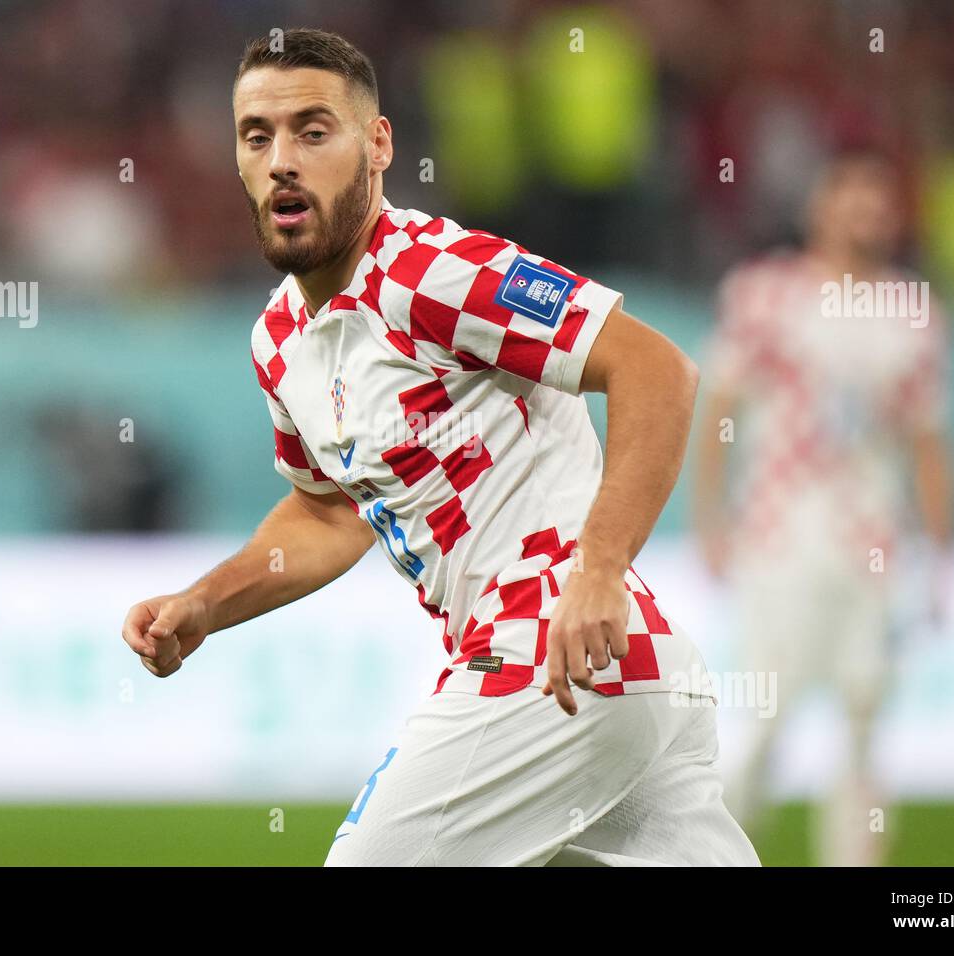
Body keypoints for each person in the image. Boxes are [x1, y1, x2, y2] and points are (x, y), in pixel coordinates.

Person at [122, 27, 758, 867]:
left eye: (314, 131)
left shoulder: (430, 271)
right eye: (257, 135)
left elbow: (656, 369)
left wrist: (599, 566)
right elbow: (328, 512)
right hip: (617, 677)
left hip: (552, 644)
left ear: (378, 145)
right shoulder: (280, 338)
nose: (282, 159)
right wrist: (207, 602)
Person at [693, 150, 954, 866]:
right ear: (819, 206)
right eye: (849, 195)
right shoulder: (764, 293)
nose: (864, 211)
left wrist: (941, 554)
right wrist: (710, 520)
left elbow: (928, 442)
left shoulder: (914, 313)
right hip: (779, 537)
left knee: (866, 718)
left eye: (878, 198)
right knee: (766, 720)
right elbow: (719, 408)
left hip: (873, 542)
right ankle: (710, 852)